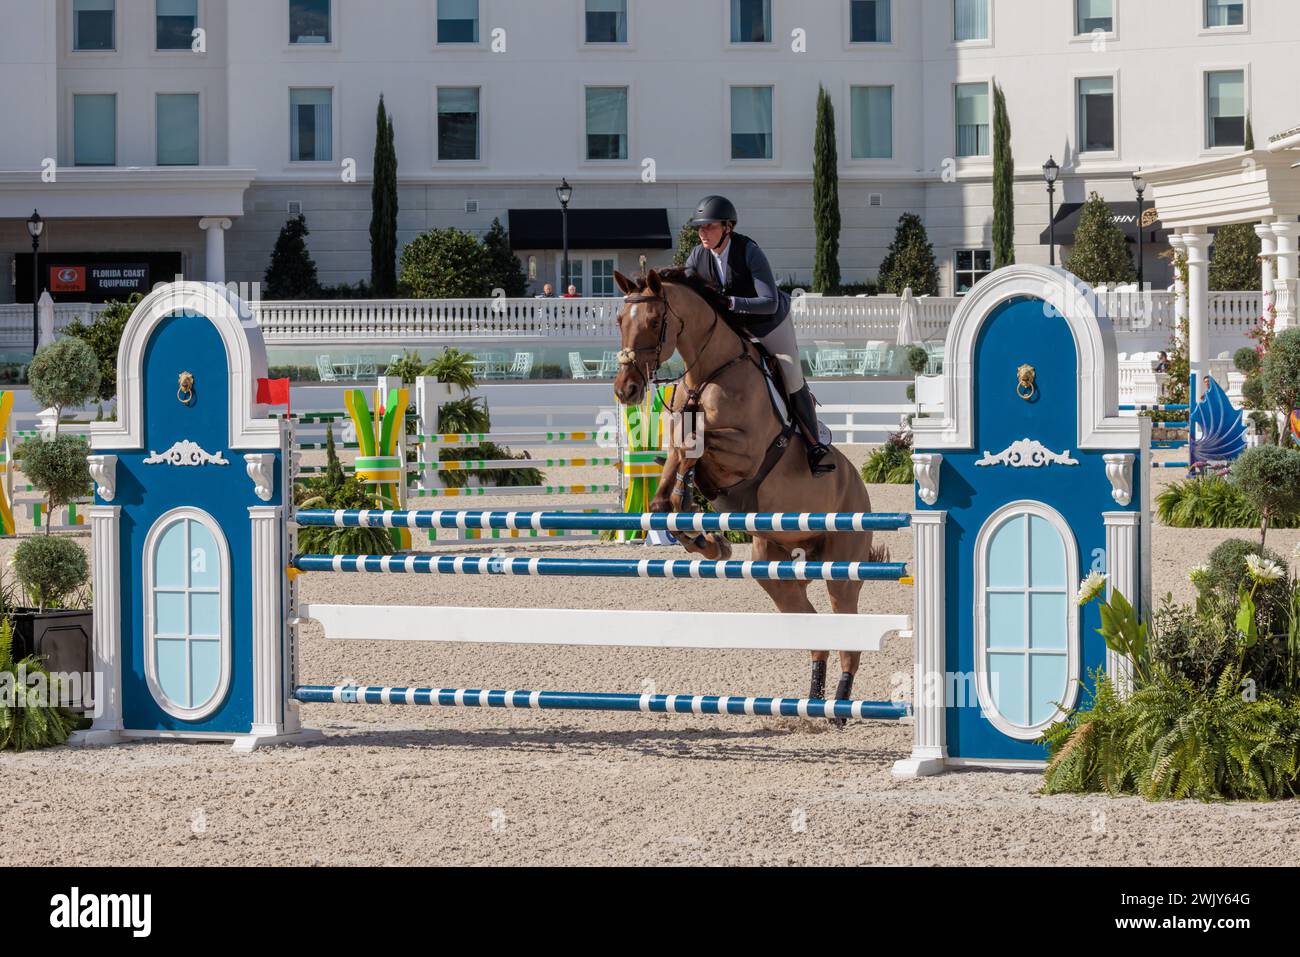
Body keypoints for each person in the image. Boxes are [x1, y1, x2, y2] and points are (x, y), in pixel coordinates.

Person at [682, 195, 834, 475]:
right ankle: (686, 452)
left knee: (790, 374)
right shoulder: (697, 256)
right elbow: (686, 289)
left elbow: (769, 301)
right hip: (732, 329)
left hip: (768, 324)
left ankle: (815, 447)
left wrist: (731, 302)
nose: (703, 233)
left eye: (710, 227)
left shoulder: (749, 251)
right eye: (700, 228)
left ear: (728, 227)